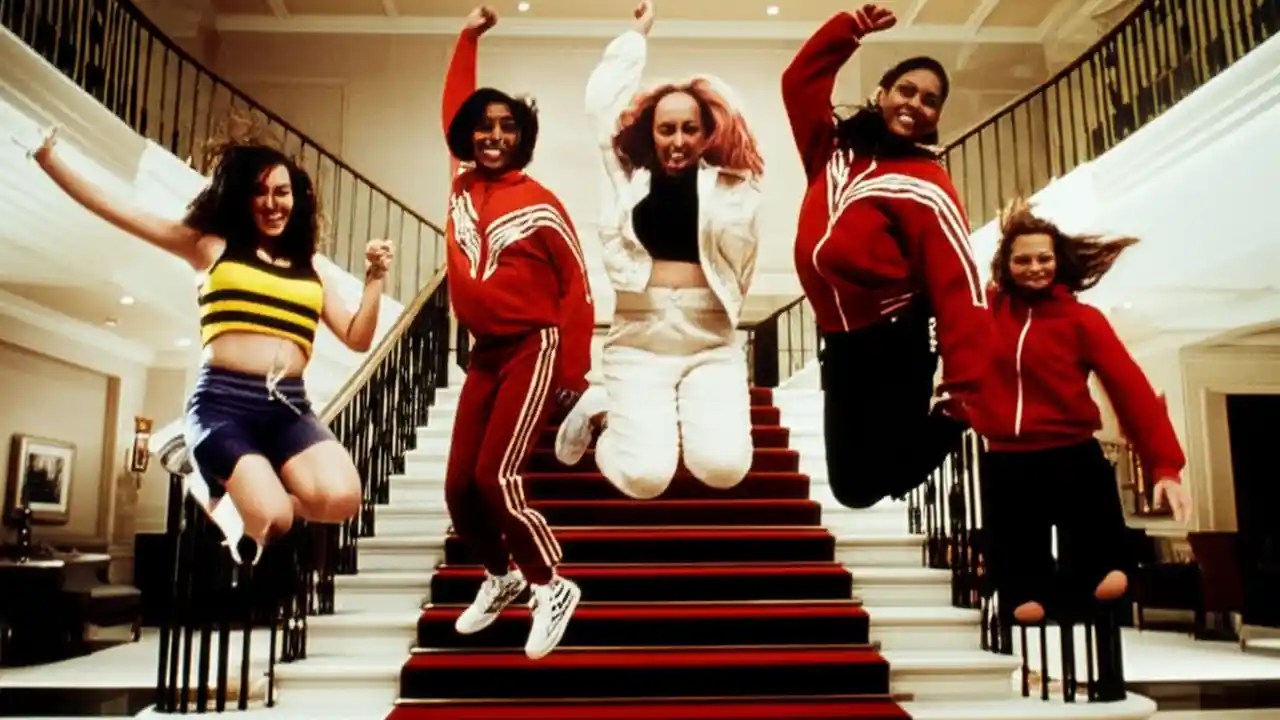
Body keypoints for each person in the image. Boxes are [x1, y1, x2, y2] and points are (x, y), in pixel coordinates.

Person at [26, 123, 391, 563]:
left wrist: (375, 279)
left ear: (297, 198)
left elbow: (357, 337)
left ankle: (242, 497)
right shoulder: (211, 247)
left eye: (282, 192)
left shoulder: (310, 266)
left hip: (289, 407)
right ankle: (214, 480)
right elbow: (119, 210)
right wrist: (48, 158)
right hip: (224, 404)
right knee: (274, 521)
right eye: (260, 193)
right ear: (242, 197)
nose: (272, 203)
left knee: (343, 500)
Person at [782, 5, 991, 510]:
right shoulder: (832, 150)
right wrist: (848, 29)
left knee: (868, 483)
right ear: (881, 94)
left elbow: (959, 286)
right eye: (906, 90)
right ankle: (919, 448)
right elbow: (798, 83)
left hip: (895, 341)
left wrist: (961, 388)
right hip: (840, 342)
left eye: (930, 101)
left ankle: (953, 422)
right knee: (851, 487)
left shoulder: (928, 184)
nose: (915, 103)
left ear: (936, 118)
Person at [555, 0, 765, 501]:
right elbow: (602, 104)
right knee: (645, 479)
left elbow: (744, 260)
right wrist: (636, 37)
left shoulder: (735, 185)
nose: (678, 140)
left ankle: (666, 419)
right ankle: (601, 413)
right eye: (666, 128)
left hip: (710, 339)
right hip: (639, 337)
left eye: (690, 128)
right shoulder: (626, 177)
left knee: (724, 468)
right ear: (651, 132)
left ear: (707, 133)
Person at [439, 5, 592, 660]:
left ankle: (552, 583)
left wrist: (573, 378)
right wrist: (468, 36)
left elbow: (577, 288)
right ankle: (500, 576)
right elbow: (453, 102)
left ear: (522, 137)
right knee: (458, 486)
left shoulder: (541, 202)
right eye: (483, 125)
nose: (493, 135)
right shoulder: (460, 187)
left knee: (496, 477)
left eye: (506, 126)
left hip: (535, 345)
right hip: (485, 355)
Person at [974, 197, 1193, 626]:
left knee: (1099, 554)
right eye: (1023, 260)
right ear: (1005, 265)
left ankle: (1099, 577)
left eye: (1044, 258)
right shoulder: (987, 311)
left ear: (1059, 261)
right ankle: (1027, 595)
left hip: (1072, 450)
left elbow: (1131, 389)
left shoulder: (1083, 320)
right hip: (1008, 460)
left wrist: (1165, 466)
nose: (1035, 267)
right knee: (1021, 578)